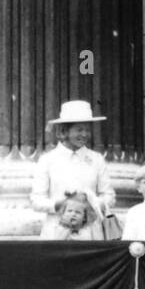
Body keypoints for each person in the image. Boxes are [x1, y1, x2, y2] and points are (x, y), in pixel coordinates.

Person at [31, 101, 115, 238]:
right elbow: (36, 200)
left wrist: (90, 203)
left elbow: (109, 196)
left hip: (91, 234)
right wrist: (60, 204)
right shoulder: (47, 160)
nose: (85, 134)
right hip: (56, 233)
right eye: (79, 130)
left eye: (87, 130)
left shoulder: (96, 159)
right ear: (64, 131)